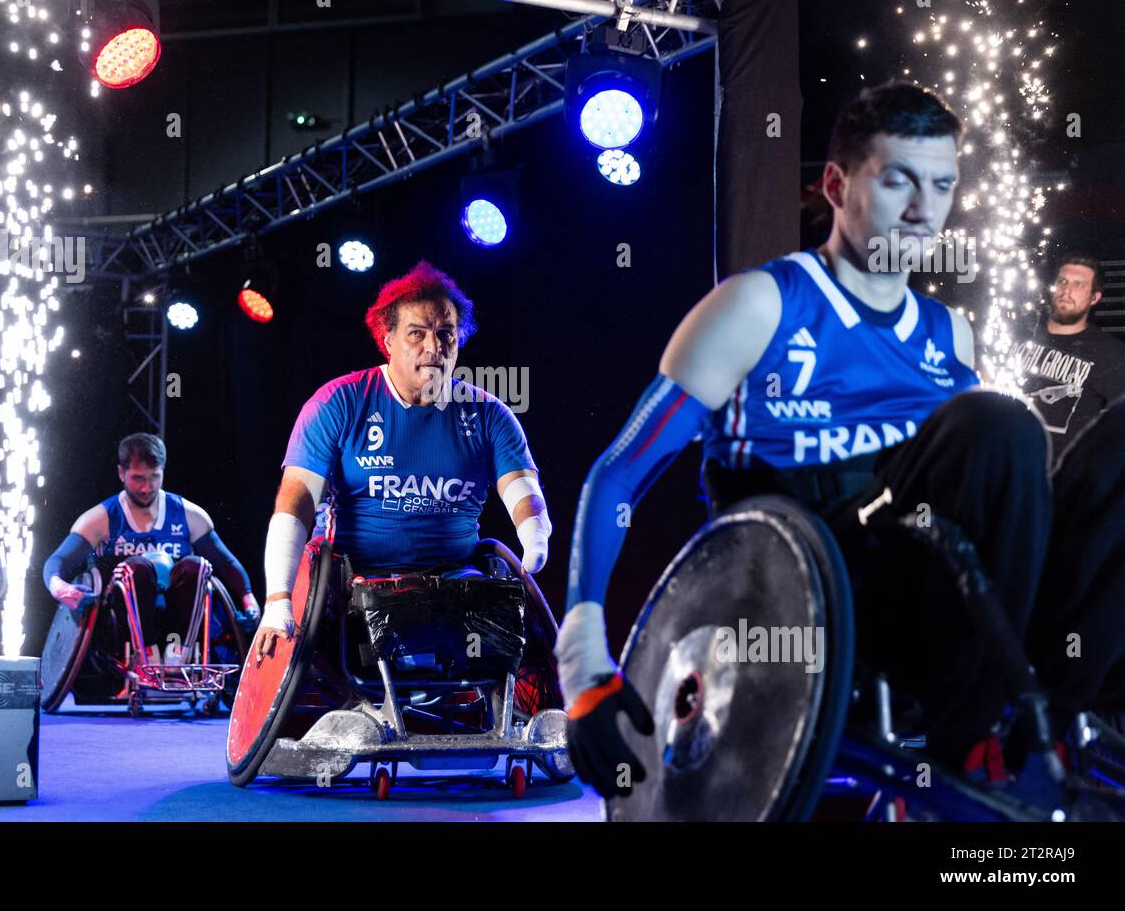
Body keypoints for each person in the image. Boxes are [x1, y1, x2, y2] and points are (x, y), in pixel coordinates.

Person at [556, 80, 1125, 799]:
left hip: (954, 589)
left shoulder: (948, 334)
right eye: (898, 182)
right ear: (835, 183)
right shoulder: (760, 305)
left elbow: (1004, 501)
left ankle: (1049, 728)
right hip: (824, 594)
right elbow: (618, 474)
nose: (923, 211)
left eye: (942, 185)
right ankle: (976, 736)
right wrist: (583, 663)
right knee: (999, 426)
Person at [255, 261, 551, 656]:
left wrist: (534, 541)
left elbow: (522, 488)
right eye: (417, 334)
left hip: (453, 582)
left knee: (505, 614)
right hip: (354, 583)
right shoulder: (339, 402)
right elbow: (296, 502)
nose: (434, 347)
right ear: (387, 338)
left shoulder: (489, 414)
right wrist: (278, 601)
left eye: (446, 334)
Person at [43, 432, 256, 665]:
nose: (146, 487)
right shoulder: (100, 519)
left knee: (196, 566)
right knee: (139, 568)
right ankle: (147, 656)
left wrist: (248, 598)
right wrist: (59, 587)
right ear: (121, 473)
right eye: (137, 478)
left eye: (154, 477)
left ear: (162, 471)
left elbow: (226, 563)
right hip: (122, 618)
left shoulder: (190, 515)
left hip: (176, 616)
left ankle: (177, 655)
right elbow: (59, 561)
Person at [1014, 252, 1125, 465]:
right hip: (998, 468)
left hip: (1056, 484)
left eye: (1079, 285)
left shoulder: (1110, 354)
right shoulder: (1019, 332)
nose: (1067, 290)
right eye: (1062, 281)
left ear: (1094, 297)